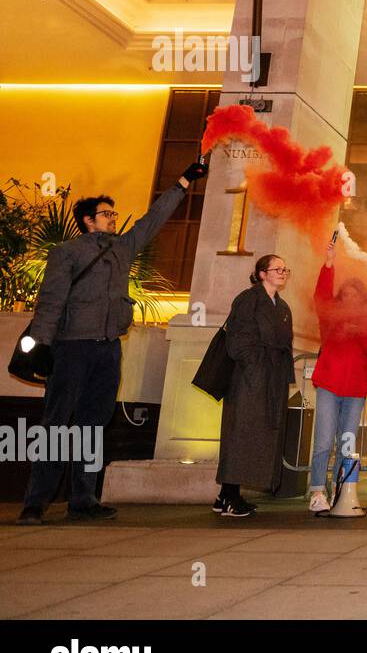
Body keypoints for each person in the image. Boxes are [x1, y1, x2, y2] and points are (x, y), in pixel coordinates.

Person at [16, 159, 207, 525]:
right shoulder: (67, 253)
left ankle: (83, 499)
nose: (114, 218)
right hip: (72, 347)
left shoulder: (122, 248)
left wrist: (183, 182)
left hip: (107, 349)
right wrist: (40, 343)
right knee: (57, 423)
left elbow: (152, 220)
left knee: (93, 423)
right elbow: (51, 301)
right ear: (88, 219)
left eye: (114, 213)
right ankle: (35, 502)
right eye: (107, 214)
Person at [307, 237, 367, 514]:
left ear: (363, 299)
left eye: (356, 296)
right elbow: (321, 295)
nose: (350, 299)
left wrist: (361, 332)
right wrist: (329, 264)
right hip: (329, 384)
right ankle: (317, 491)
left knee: (347, 442)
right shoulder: (330, 316)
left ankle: (343, 490)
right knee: (324, 440)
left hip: (355, 390)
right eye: (346, 295)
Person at [213, 254, 296, 518]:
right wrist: (257, 366)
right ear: (262, 273)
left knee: (257, 435)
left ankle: (227, 495)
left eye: (285, 269)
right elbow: (239, 340)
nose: (283, 272)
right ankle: (229, 495)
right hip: (250, 379)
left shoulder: (282, 306)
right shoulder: (248, 299)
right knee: (242, 433)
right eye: (277, 268)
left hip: (271, 379)